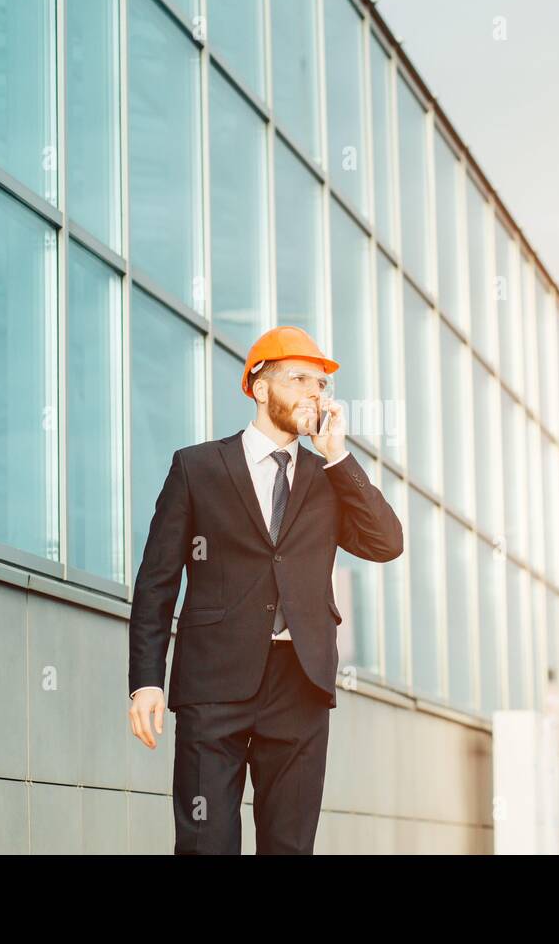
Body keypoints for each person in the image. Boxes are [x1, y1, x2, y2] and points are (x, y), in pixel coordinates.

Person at [127, 325, 405, 854]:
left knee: (289, 846)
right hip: (213, 681)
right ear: (259, 387)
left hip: (300, 683)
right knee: (206, 842)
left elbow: (386, 542)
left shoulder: (329, 479)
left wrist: (340, 458)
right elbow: (157, 581)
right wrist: (146, 681)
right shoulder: (197, 467)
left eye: (321, 385)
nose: (313, 393)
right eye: (300, 379)